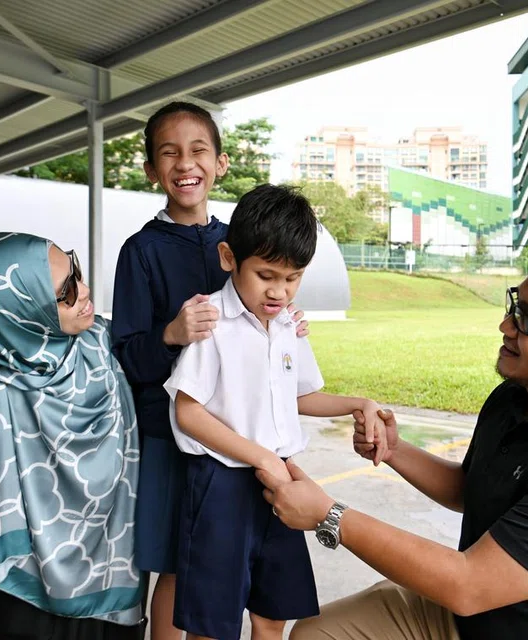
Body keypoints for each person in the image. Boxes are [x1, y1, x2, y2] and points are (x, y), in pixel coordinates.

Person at [259, 238, 528, 640]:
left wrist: (329, 515)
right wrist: (395, 449)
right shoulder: (516, 397)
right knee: (319, 633)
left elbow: (468, 584)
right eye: (514, 304)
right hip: (471, 621)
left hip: (506, 615)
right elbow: (468, 488)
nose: (506, 325)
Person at [111, 102, 309, 640]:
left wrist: (287, 318)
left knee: (252, 569)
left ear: (220, 163)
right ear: (152, 169)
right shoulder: (141, 251)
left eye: (198, 149)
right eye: (168, 153)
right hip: (178, 435)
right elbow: (125, 354)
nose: (184, 162)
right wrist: (171, 334)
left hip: (247, 438)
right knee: (181, 564)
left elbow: (269, 300)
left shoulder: (245, 238)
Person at [163, 184, 387, 640]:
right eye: (266, 275)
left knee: (273, 612)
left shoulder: (288, 326)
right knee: (214, 619)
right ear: (229, 258)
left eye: (293, 278)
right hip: (222, 485)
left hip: (280, 486)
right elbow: (188, 412)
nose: (279, 291)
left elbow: (299, 396)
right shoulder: (213, 322)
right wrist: (263, 457)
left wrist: (358, 405)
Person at [0, 232, 144, 640]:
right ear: (19, 313)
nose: (84, 292)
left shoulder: (107, 352)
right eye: (65, 292)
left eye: (76, 272)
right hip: (19, 605)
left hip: (112, 591)